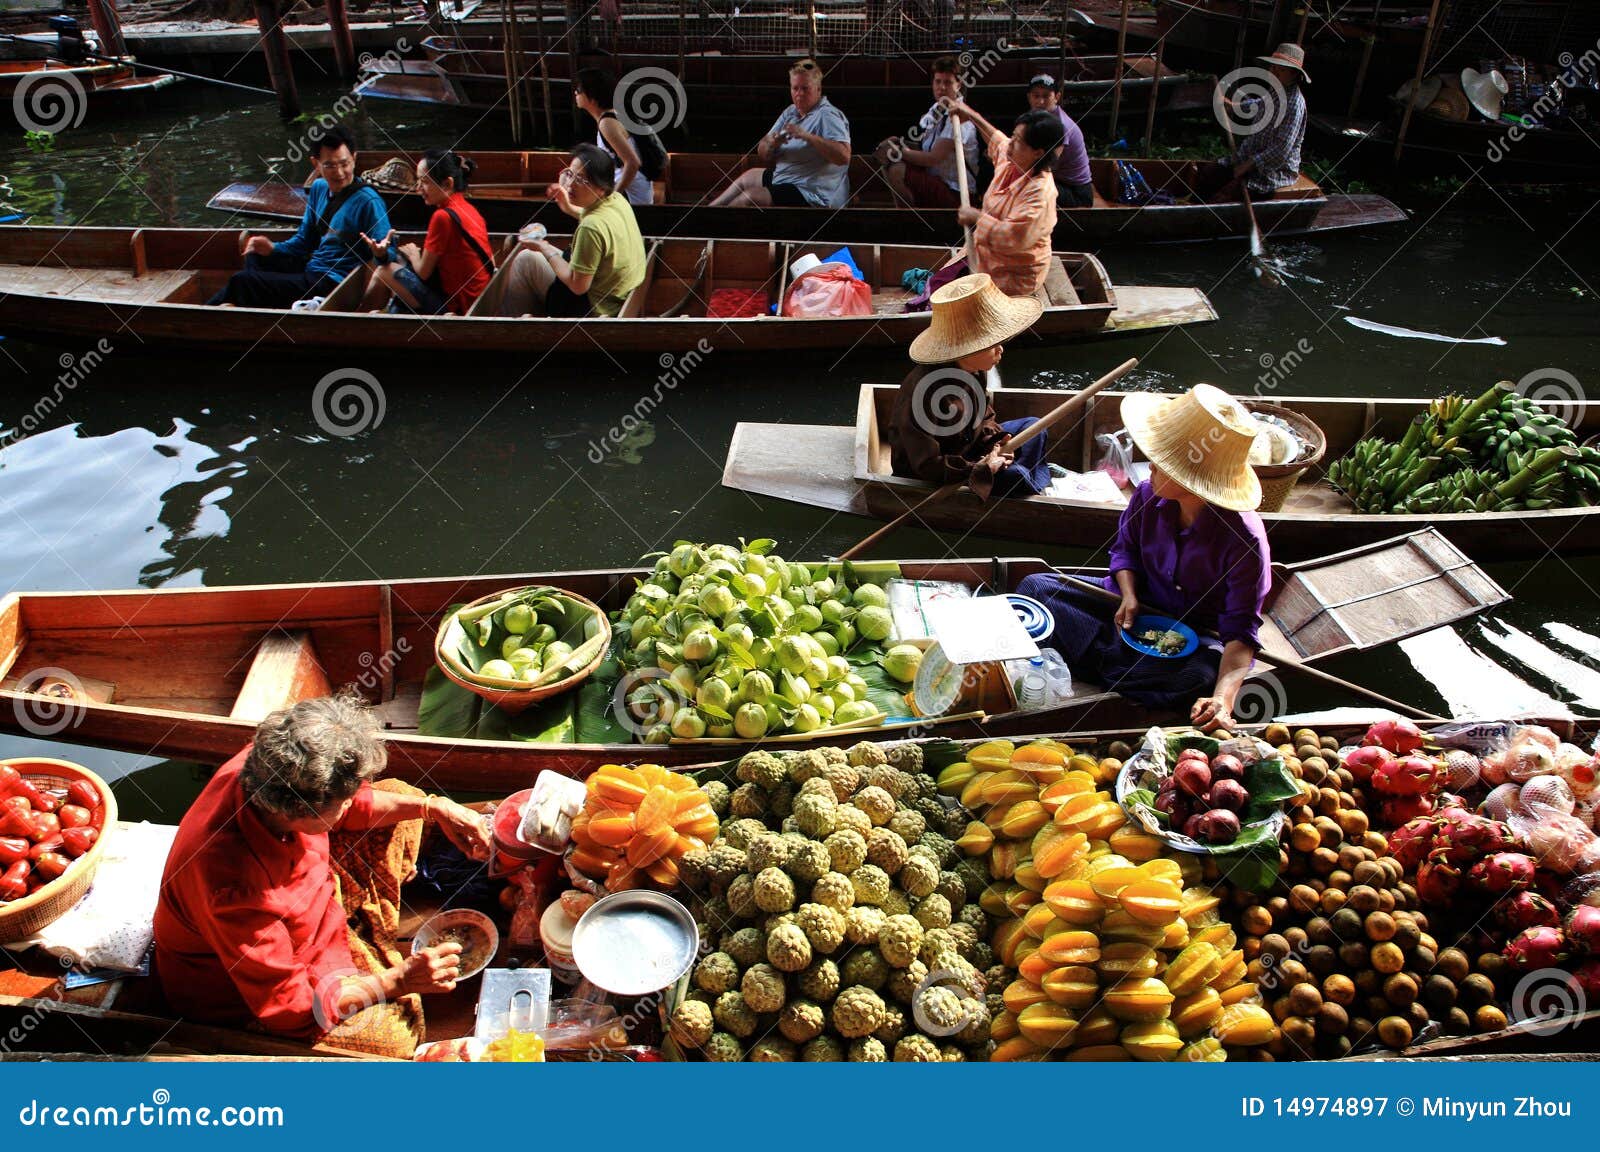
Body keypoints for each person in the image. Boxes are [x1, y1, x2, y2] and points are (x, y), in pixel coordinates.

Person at [152, 695, 493, 1058]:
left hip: (315, 899)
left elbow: (358, 805)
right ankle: (370, 952)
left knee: (403, 798)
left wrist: (433, 806)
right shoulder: (235, 890)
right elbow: (290, 1008)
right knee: (394, 1041)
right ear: (300, 812)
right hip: (256, 989)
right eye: (343, 802)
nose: (352, 801)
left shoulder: (268, 763)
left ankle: (365, 943)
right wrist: (400, 979)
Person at [1016, 385, 1272, 730]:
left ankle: (1101, 661)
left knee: (1198, 678)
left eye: (1162, 462)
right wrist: (1129, 594)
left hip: (1193, 636)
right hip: (1129, 608)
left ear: (1191, 479)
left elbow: (1240, 632)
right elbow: (1125, 552)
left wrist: (1222, 701)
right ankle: (1123, 670)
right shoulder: (1147, 495)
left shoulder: (1245, 540)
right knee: (1035, 588)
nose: (1150, 466)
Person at [890, 273, 1050, 499]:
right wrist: (983, 468)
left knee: (1035, 427)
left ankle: (1024, 478)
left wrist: (995, 441)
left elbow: (985, 416)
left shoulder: (975, 370)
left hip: (971, 449)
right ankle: (1024, 480)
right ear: (966, 349)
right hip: (938, 471)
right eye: (992, 345)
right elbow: (926, 465)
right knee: (1016, 476)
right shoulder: (924, 392)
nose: (1000, 350)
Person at [208, 124, 389, 309]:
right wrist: (272, 248)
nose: (339, 173)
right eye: (330, 165)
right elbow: (304, 241)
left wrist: (381, 253)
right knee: (256, 255)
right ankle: (257, 310)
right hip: (311, 268)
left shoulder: (369, 201)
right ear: (316, 164)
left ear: (354, 159)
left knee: (241, 281)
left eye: (345, 164)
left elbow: (388, 252)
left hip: (331, 283)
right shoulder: (318, 188)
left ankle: (208, 313)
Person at [497, 144, 647, 317]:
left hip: (595, 308)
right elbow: (600, 220)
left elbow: (578, 286)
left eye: (581, 180)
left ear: (601, 188)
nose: (569, 185)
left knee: (524, 261)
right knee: (529, 256)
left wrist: (544, 248)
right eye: (570, 174)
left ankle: (515, 328)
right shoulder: (616, 199)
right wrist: (568, 208)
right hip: (616, 296)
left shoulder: (590, 227)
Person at [945, 102, 1063, 299]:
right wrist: (971, 115)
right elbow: (996, 139)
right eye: (1013, 137)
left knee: (947, 300)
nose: (1010, 144)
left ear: (1038, 153)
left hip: (1012, 273)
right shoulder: (1014, 160)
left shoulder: (1040, 193)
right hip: (984, 255)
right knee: (936, 285)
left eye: (1017, 141)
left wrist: (976, 217)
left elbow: (1013, 239)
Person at [362, 150, 494, 316]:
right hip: (476, 299)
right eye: (418, 181)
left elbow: (423, 273)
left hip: (457, 306)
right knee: (396, 263)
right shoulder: (470, 210)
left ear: (447, 184)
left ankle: (355, 320)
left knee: (384, 271)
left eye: (424, 182)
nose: (418, 188)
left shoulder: (442, 217)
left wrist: (414, 254)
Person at [711, 59, 851, 209]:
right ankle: (707, 211)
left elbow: (843, 156)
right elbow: (762, 151)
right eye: (795, 88)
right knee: (748, 177)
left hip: (810, 191)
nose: (799, 94)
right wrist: (771, 144)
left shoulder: (828, 115)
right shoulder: (790, 112)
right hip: (787, 178)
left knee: (750, 197)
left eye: (805, 88)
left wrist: (807, 136)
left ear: (818, 89)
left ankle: (717, 221)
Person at [1195, 42, 1310, 203]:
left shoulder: (1294, 104)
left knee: (1223, 197)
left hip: (1273, 171)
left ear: (1294, 74)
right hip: (1249, 156)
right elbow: (1259, 104)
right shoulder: (1276, 89)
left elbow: (1281, 149)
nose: (1274, 72)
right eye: (1273, 67)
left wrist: (1248, 165)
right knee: (1208, 174)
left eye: (1282, 69)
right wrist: (1233, 106)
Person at [869, 55, 979, 209]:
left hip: (957, 194)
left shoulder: (959, 117)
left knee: (897, 170)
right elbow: (924, 150)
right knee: (890, 161)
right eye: (937, 81)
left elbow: (933, 158)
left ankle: (910, 219)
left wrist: (899, 151)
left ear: (958, 85)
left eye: (947, 82)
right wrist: (898, 144)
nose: (941, 87)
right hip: (937, 182)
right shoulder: (935, 111)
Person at [574, 67, 665, 207]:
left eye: (579, 90)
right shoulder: (611, 116)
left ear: (592, 96)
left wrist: (613, 196)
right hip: (633, 187)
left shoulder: (607, 123)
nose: (575, 93)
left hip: (634, 194)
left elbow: (633, 163)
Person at [1025, 73, 1095, 208]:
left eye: (1046, 96)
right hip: (1060, 182)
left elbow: (1047, 166)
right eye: (1036, 96)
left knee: (1029, 184)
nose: (1040, 102)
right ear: (1029, 97)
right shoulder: (1039, 118)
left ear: (1057, 97)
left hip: (1077, 193)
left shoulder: (1060, 126)